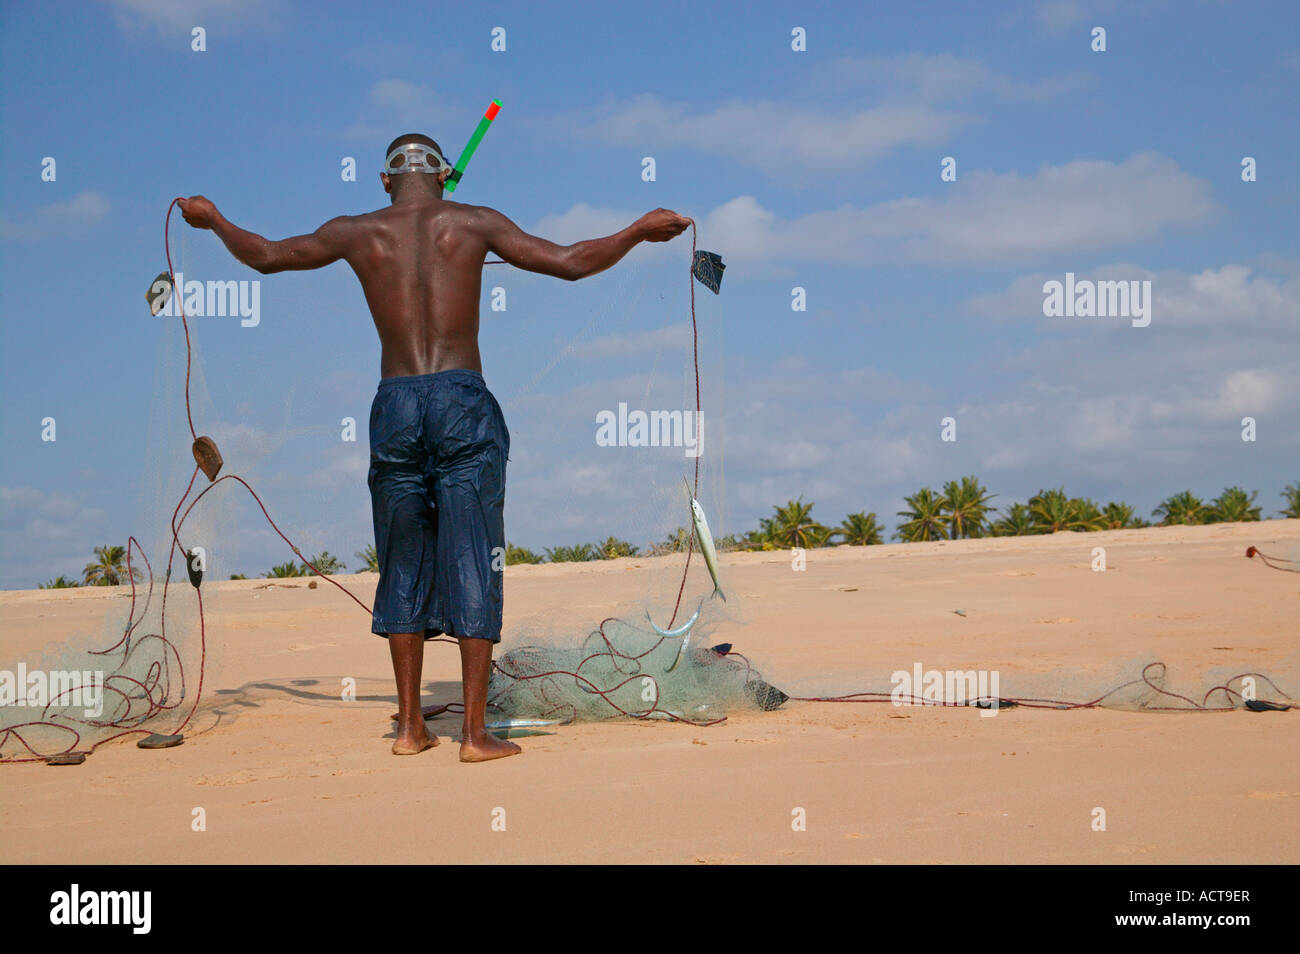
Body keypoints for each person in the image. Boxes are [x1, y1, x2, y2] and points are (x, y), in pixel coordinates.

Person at [178, 133, 692, 761]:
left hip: (394, 402)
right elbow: (571, 260)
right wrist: (638, 229)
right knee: (474, 554)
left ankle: (408, 728)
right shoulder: (473, 221)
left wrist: (212, 220)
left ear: (384, 181)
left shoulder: (356, 230)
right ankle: (474, 737)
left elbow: (264, 255)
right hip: (460, 399)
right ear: (446, 176)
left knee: (403, 559)